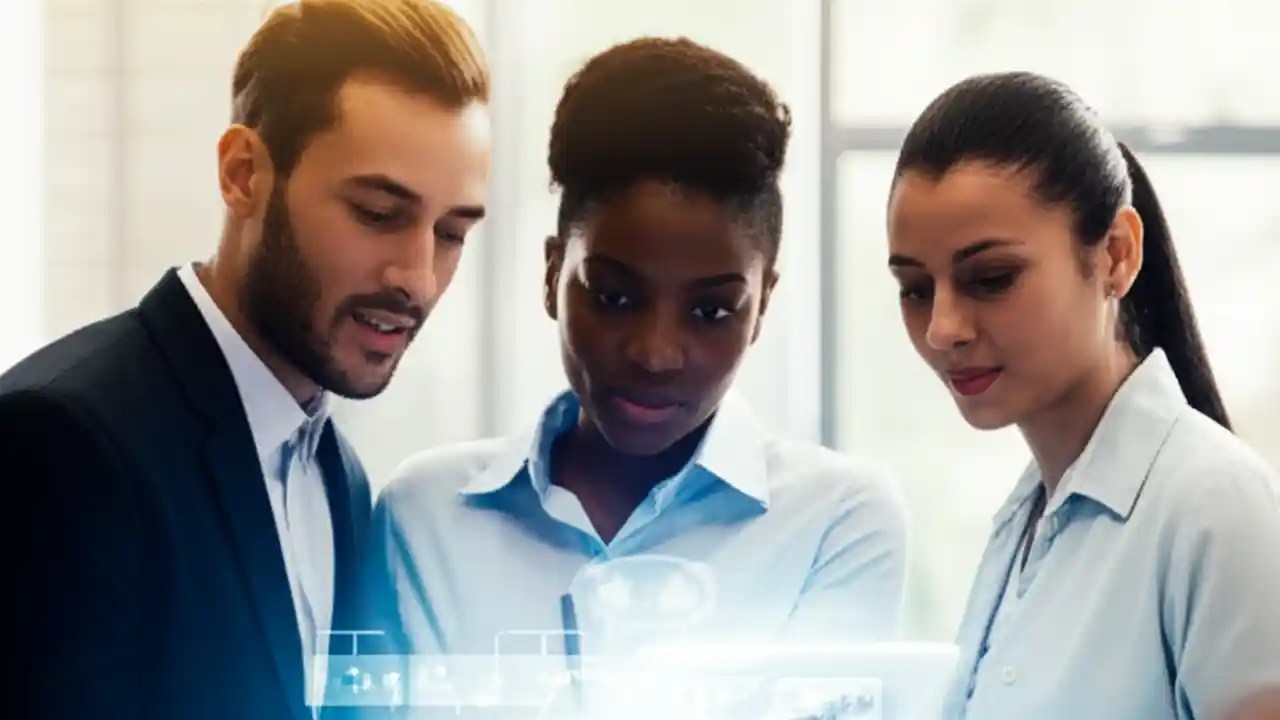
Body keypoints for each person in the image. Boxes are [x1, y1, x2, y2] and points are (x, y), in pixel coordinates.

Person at [363, 37, 907, 713]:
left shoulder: (837, 523)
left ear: (762, 304)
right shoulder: (422, 517)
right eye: (615, 297)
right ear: (552, 273)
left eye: (711, 310)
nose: (656, 353)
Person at [0, 1, 491, 718]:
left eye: (451, 232)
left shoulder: (337, 476)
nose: (417, 278)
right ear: (243, 173)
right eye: (378, 215)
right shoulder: (63, 443)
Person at [884, 71, 1280, 720]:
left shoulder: (1215, 506)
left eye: (991, 278)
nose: (942, 328)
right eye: (916, 288)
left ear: (1117, 255)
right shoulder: (1022, 524)